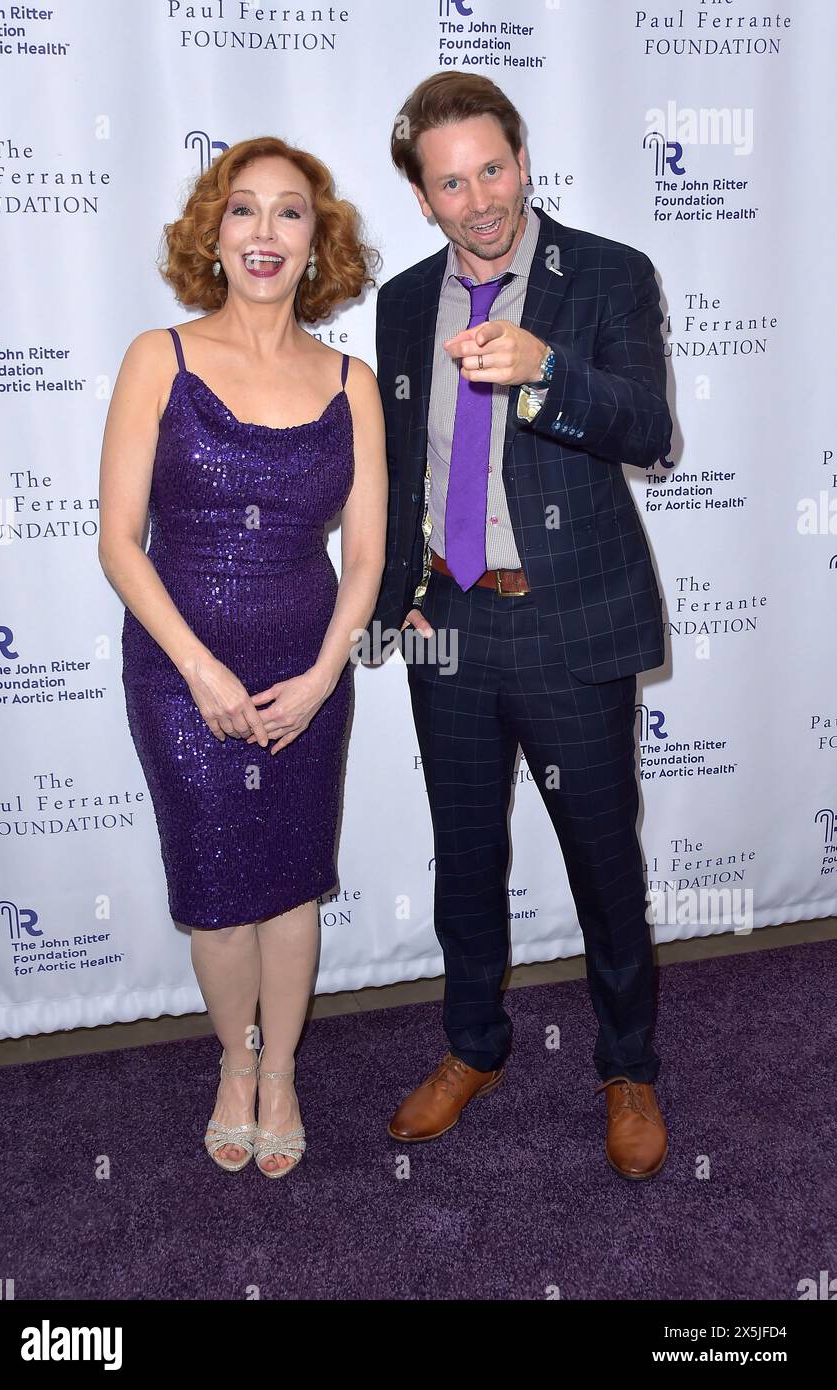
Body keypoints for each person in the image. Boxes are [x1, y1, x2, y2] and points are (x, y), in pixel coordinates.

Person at [371, 72, 673, 1179]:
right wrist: (395, 583)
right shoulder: (405, 303)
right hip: (447, 620)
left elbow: (649, 430)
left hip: (567, 620)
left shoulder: (604, 273)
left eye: (490, 168)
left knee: (600, 860)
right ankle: (472, 1046)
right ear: (423, 198)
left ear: (522, 158)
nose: (479, 198)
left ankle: (626, 1063)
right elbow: (406, 460)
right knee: (463, 857)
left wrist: (547, 370)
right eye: (450, 182)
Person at [98, 137, 386, 1177]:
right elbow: (118, 541)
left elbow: (365, 558)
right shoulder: (157, 358)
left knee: (292, 885)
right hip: (179, 673)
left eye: (289, 214)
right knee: (217, 887)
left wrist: (321, 673)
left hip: (307, 669)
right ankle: (235, 1059)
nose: (265, 233)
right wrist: (198, 670)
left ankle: (283, 1074)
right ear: (212, 235)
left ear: (318, 243)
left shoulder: (350, 382)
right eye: (243, 211)